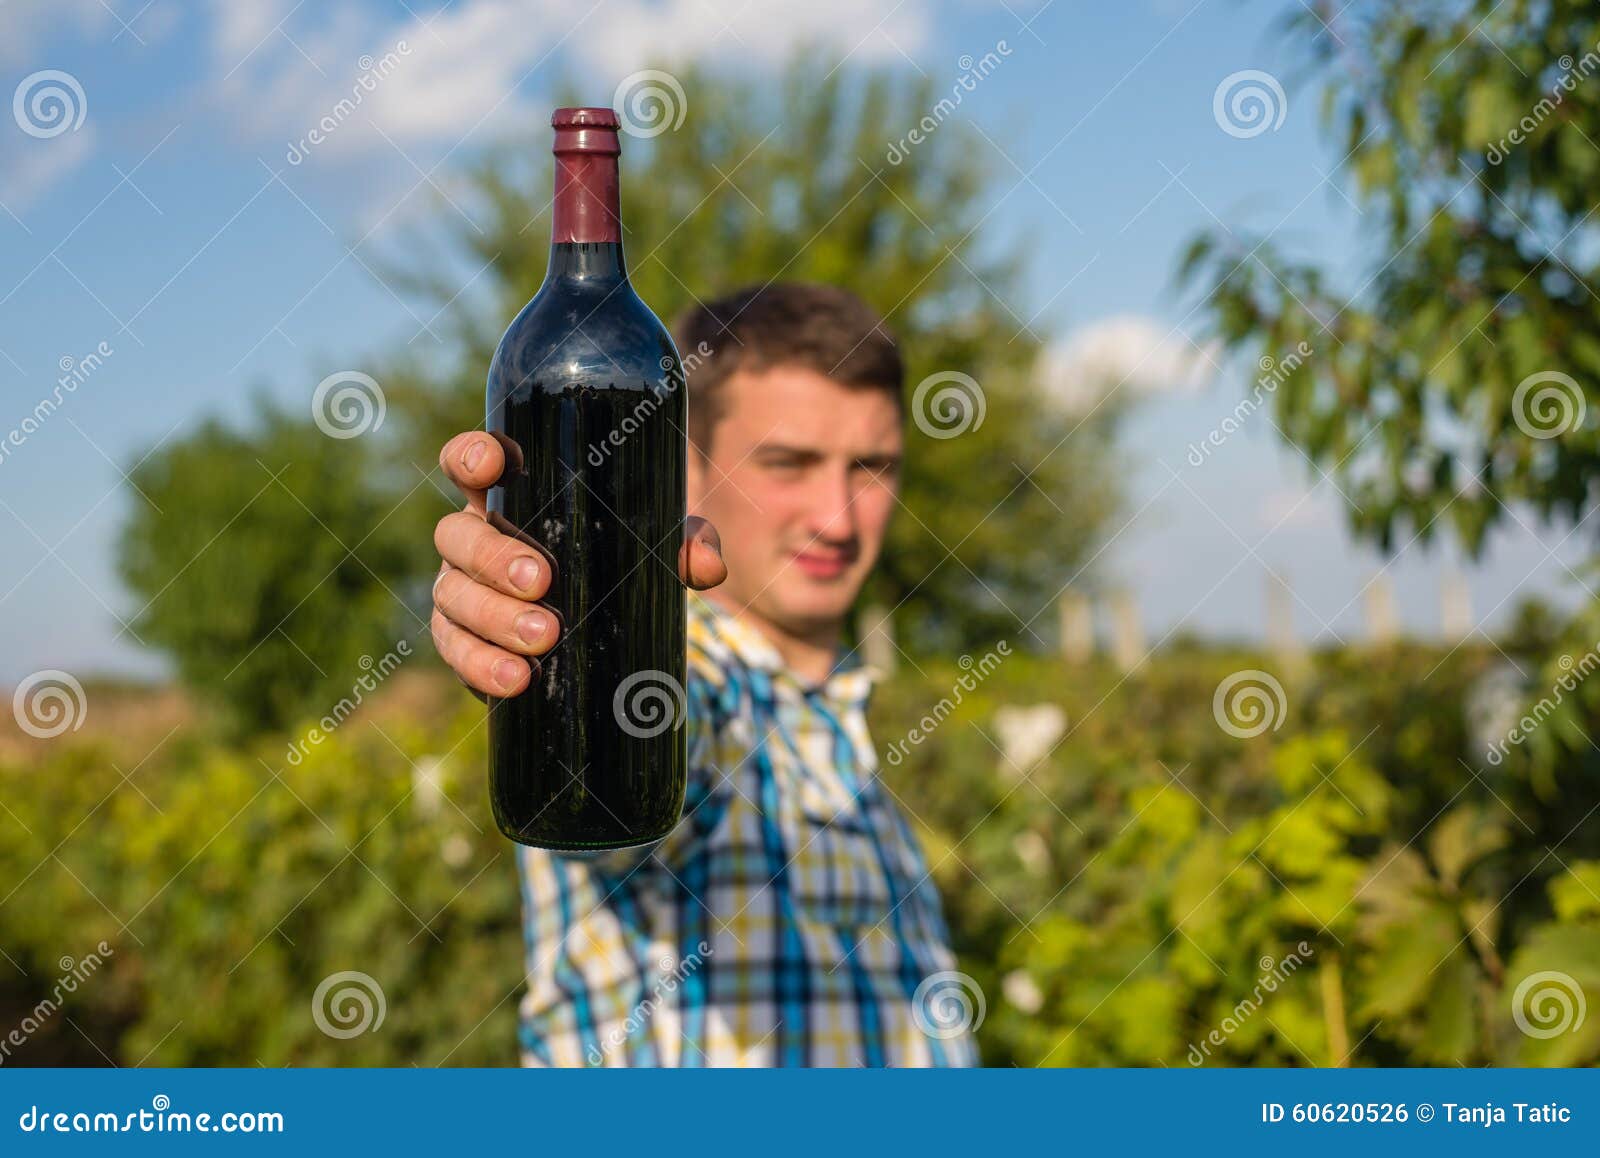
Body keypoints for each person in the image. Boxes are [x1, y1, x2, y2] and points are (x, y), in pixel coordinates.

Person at [429, 282, 977, 1067]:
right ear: (679, 458)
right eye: (789, 462)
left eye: (872, 467)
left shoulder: (843, 722)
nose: (839, 517)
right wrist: (537, 643)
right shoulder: (694, 680)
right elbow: (643, 745)